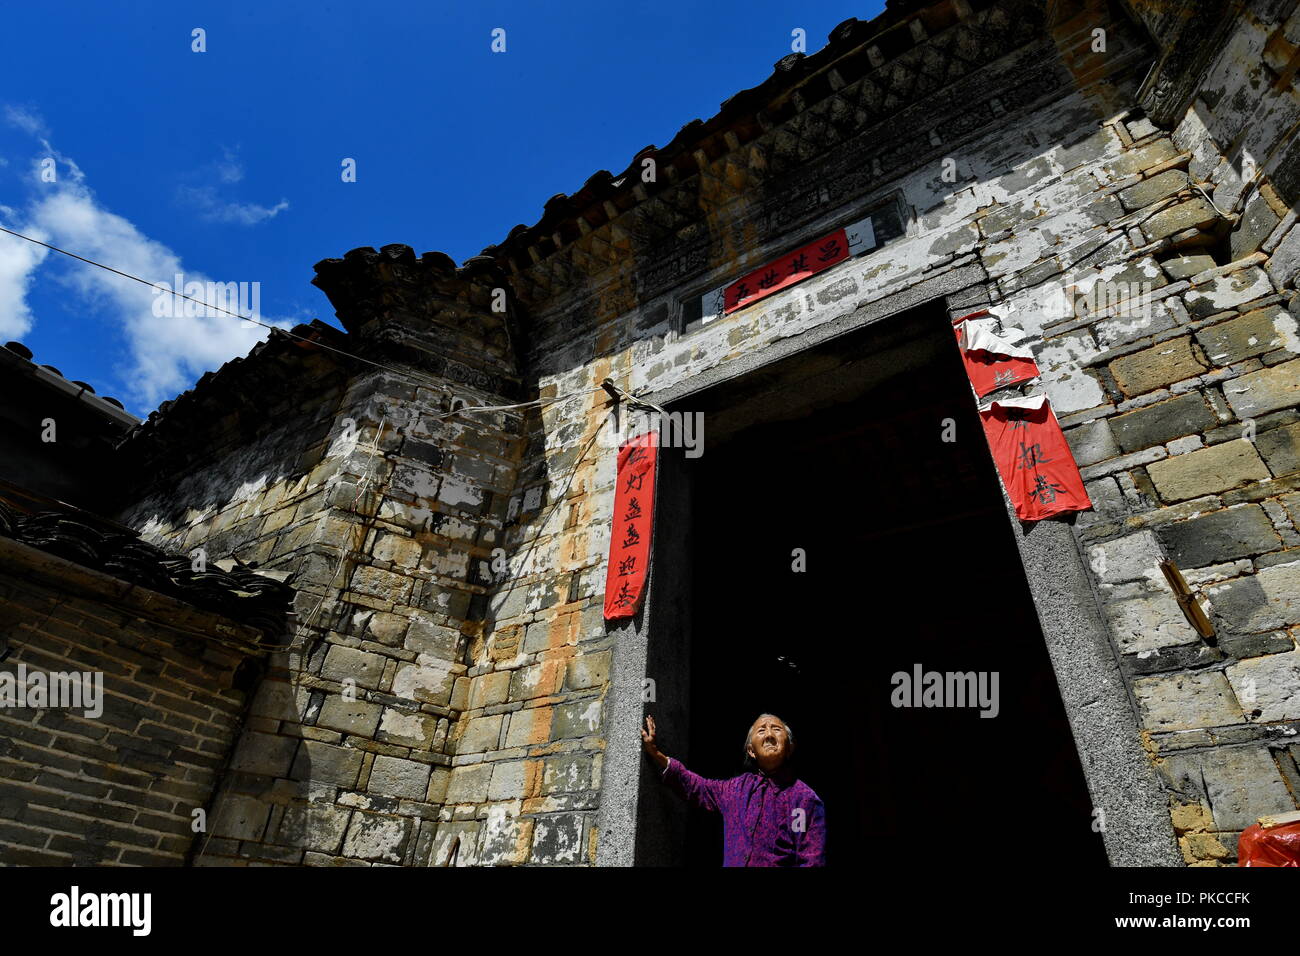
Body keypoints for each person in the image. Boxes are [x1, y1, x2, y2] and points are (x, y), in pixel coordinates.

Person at [640, 712, 826, 866]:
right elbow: (698, 787)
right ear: (751, 751)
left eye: (776, 729)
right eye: (762, 730)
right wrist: (656, 754)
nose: (769, 735)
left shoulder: (803, 799)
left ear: (789, 748)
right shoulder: (736, 790)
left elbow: (811, 860)